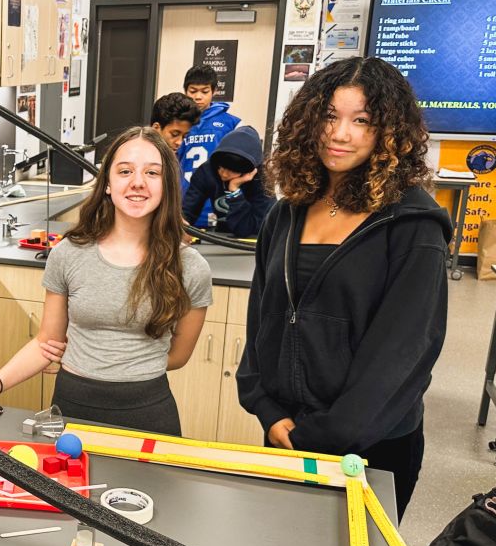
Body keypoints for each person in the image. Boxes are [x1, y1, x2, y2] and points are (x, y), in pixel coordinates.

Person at [236, 56, 451, 518]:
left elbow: (404, 351)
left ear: (389, 132)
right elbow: (261, 317)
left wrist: (322, 436)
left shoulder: (412, 226)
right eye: (329, 116)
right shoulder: (287, 212)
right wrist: (267, 409)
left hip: (368, 445)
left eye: (362, 121)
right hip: (285, 432)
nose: (340, 134)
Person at [0, 127, 212, 436]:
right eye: (124, 171)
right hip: (72, 407)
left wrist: (120, 368)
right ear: (107, 184)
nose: (137, 182)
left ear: (167, 186)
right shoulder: (69, 254)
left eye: (152, 173)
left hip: (148, 412)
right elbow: (46, 344)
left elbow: (178, 356)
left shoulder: (190, 267)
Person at [174, 65, 241, 228]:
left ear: (214, 91)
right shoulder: (175, 123)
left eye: (204, 92)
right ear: (185, 91)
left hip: (216, 204)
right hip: (183, 202)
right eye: (193, 91)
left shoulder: (233, 124)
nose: (198, 97)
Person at [180, 125, 274, 238]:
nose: (224, 174)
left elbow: (253, 229)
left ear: (249, 170)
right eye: (221, 167)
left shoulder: (263, 180)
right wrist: (181, 226)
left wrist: (234, 191)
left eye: (232, 171)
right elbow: (188, 211)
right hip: (222, 236)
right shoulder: (207, 171)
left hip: (252, 242)